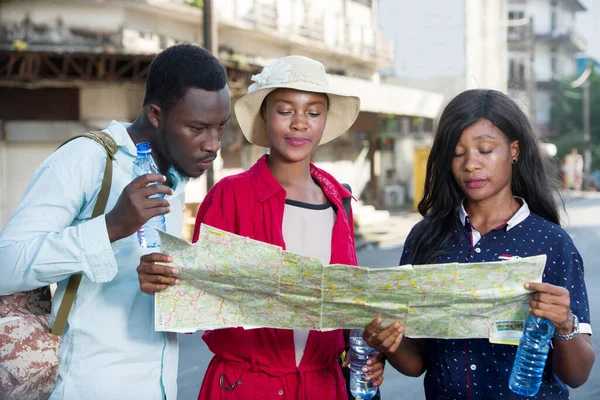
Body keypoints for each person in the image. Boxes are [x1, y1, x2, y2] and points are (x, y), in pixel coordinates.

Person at [138, 55, 385, 399]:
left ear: (324, 121)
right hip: (245, 386)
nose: (300, 123)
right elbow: (199, 296)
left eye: (313, 112)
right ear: (265, 117)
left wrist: (372, 350)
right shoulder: (229, 196)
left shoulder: (338, 200)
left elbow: (348, 305)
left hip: (324, 386)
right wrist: (166, 282)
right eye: (286, 110)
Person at [0, 43, 231, 399]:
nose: (213, 145)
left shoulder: (176, 176)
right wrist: (111, 228)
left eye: (220, 128)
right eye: (198, 128)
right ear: (155, 114)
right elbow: (6, 263)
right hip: (89, 386)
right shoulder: (86, 159)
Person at [364, 89, 595, 399]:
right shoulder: (425, 239)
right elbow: (417, 362)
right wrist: (387, 342)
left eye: (485, 149)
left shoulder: (551, 243)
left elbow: (578, 375)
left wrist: (564, 325)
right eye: (458, 153)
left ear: (514, 150)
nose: (471, 164)